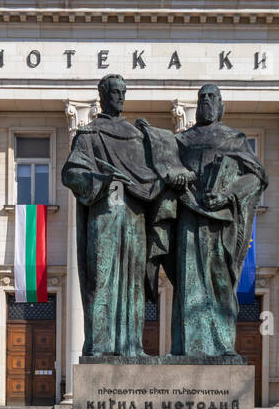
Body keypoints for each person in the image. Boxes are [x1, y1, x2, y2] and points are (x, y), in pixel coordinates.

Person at [61, 74, 188, 357]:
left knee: (133, 281)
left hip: (136, 216)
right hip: (105, 215)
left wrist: (169, 179)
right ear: (102, 96)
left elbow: (153, 174)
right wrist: (101, 178)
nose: (119, 97)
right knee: (102, 278)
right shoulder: (89, 135)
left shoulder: (138, 136)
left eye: (122, 92)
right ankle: (101, 346)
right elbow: (71, 173)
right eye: (114, 92)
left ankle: (132, 346)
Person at [170, 84, 268, 357]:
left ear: (221, 105)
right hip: (188, 217)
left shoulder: (234, 139)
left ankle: (221, 345)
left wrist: (227, 195)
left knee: (219, 280)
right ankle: (186, 348)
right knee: (187, 281)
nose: (207, 102)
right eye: (202, 98)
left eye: (213, 98)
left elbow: (256, 177)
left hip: (220, 222)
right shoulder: (182, 141)